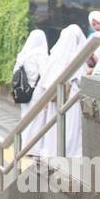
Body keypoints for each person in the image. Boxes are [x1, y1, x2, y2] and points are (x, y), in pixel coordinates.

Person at [26, 25, 86, 158]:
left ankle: (55, 152)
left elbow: (46, 78)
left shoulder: (56, 55)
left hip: (55, 99)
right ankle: (69, 153)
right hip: (72, 100)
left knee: (55, 128)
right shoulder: (78, 57)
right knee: (71, 128)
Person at [12, 30, 50, 136]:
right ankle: (34, 149)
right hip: (37, 92)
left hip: (24, 91)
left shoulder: (23, 55)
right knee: (37, 121)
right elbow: (45, 74)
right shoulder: (41, 55)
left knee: (26, 118)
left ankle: (24, 145)